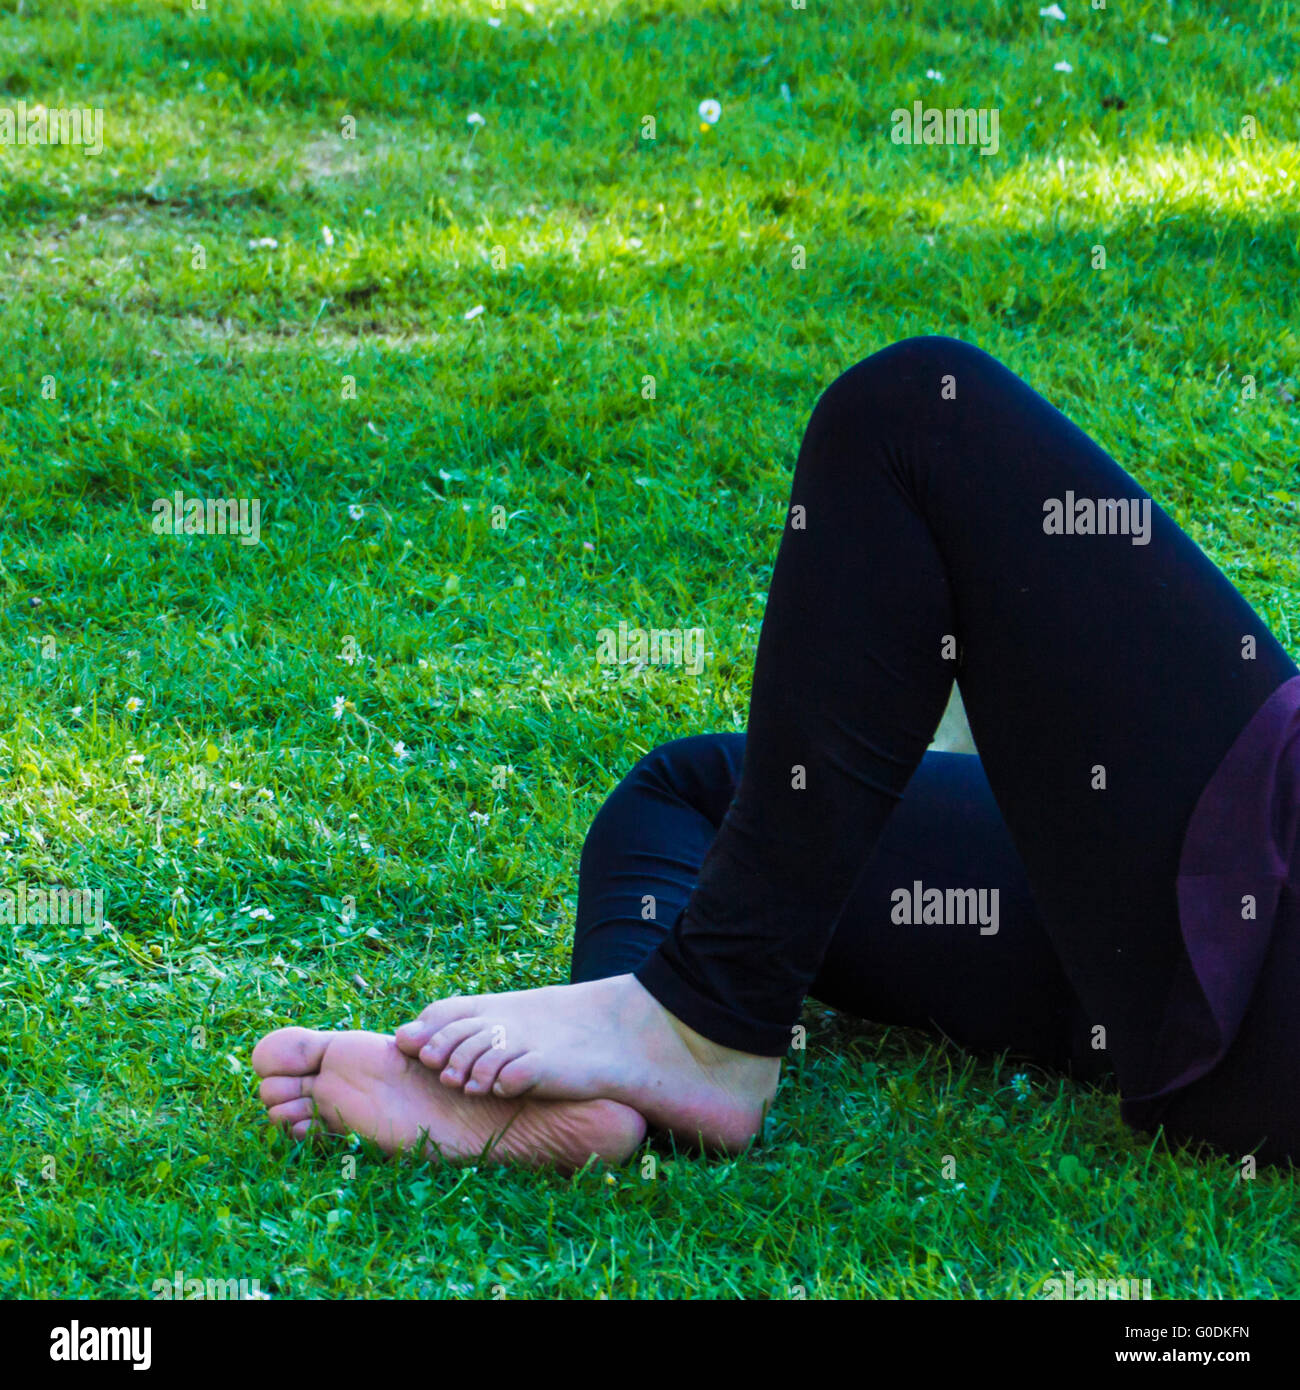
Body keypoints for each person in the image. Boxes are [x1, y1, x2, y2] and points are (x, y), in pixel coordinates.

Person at [253, 336, 1300, 1170]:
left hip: (1265, 923)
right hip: (1198, 969)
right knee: (696, 795)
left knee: (915, 414)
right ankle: (619, 1071)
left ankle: (707, 1025)